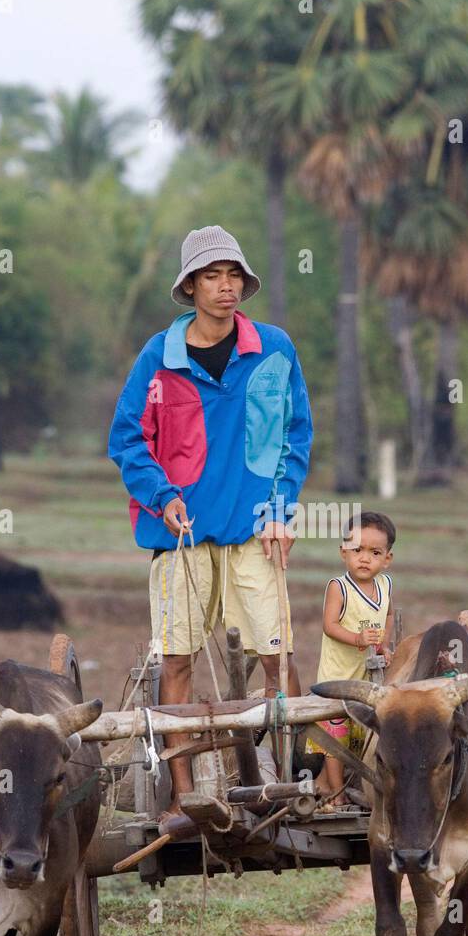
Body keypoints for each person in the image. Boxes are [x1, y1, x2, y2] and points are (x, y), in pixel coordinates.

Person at [108, 225, 313, 839]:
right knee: (177, 658)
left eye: (234, 277)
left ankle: (291, 779)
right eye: (211, 277)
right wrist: (162, 496)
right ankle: (184, 796)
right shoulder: (159, 358)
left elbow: (294, 434)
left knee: (276, 653)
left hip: (253, 525)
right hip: (183, 530)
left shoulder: (273, 349)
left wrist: (280, 508)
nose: (225, 288)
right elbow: (126, 439)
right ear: (191, 287)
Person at [307, 511, 396, 806]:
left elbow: (390, 614)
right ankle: (337, 793)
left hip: (367, 678)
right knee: (337, 736)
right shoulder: (339, 587)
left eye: (374, 552)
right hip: (338, 677)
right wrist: (358, 639)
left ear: (387, 559)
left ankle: (324, 783)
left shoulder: (385, 586)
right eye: (357, 550)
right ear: (343, 552)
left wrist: (383, 643)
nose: (364, 558)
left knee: (362, 735)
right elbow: (329, 625)